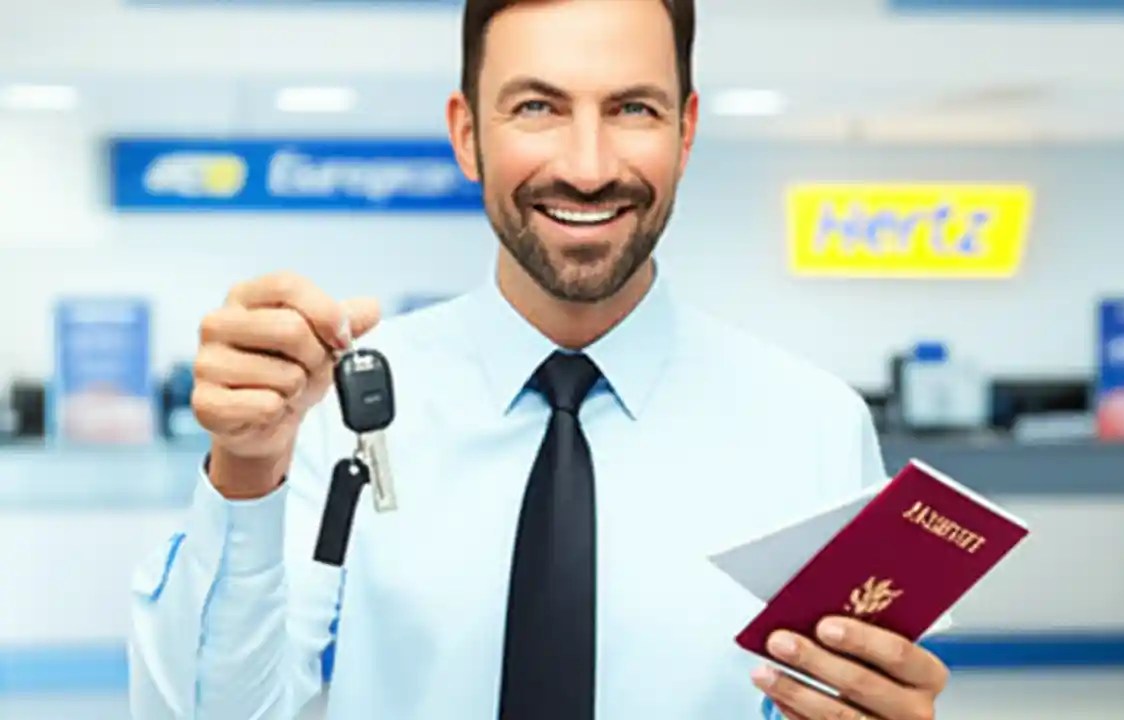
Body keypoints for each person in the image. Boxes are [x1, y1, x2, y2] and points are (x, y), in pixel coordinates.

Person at [127, 0, 952, 718]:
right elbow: (214, 710)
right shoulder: (334, 410)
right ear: (467, 135)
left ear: (686, 131)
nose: (588, 169)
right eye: (536, 107)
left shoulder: (812, 427)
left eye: (633, 108)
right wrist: (247, 470)